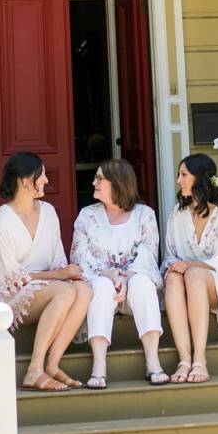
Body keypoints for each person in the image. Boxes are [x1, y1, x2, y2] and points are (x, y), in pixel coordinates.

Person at [0, 152, 93, 391]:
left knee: (84, 290)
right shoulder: (2, 220)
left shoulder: (48, 212)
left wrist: (66, 274)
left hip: (50, 288)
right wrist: (57, 277)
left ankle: (53, 364)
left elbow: (57, 260)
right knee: (64, 292)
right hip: (16, 296)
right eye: (41, 175)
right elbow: (8, 279)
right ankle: (34, 370)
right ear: (25, 180)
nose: (46, 180)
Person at [70, 158, 167, 388]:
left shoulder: (144, 214)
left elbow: (148, 255)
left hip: (134, 286)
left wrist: (125, 277)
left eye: (99, 179)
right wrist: (110, 274)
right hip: (101, 285)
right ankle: (99, 365)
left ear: (117, 183)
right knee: (102, 286)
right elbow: (79, 257)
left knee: (142, 283)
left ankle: (152, 361)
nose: (94, 183)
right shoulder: (87, 216)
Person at [162, 152, 218, 385]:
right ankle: (184, 359)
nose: (179, 180)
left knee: (194, 275)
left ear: (200, 177)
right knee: (173, 277)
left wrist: (190, 266)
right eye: (179, 174)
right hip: (184, 284)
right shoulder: (177, 214)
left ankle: (199, 359)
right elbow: (169, 256)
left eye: (184, 174)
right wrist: (179, 268)